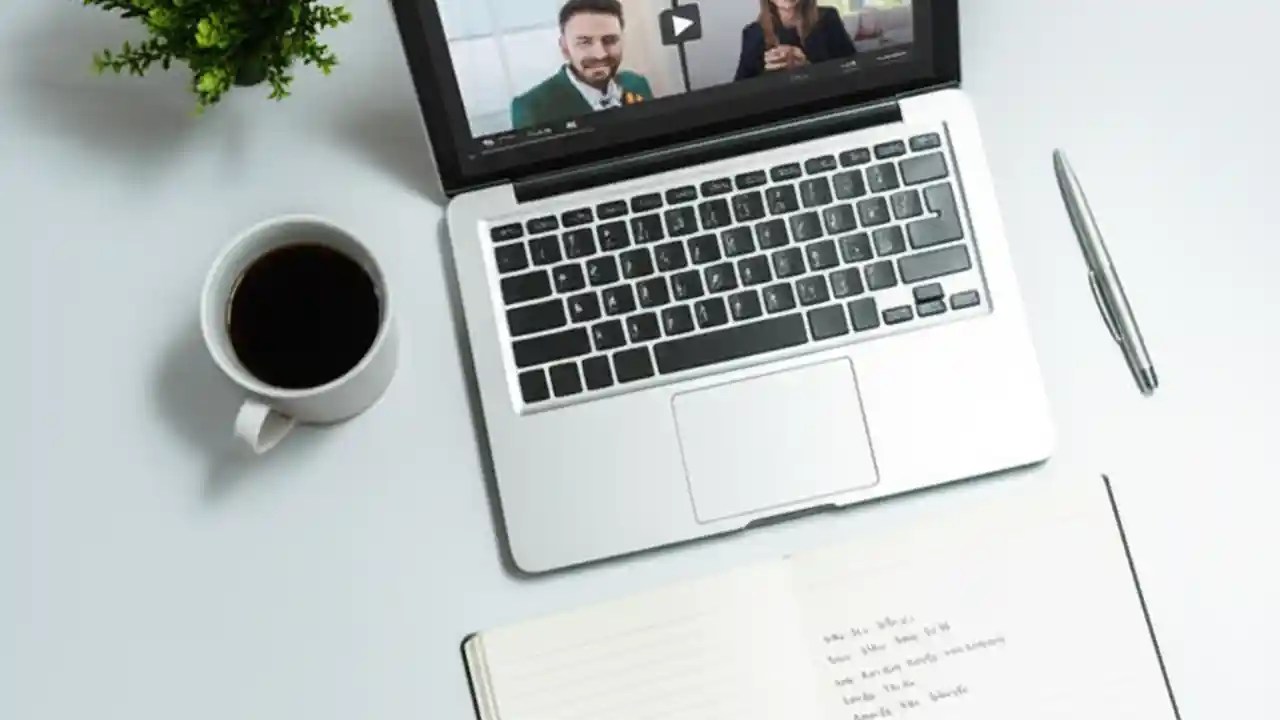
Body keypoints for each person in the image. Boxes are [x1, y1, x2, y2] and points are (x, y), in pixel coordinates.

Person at [511, 0, 655, 130]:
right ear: (565, 48)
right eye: (585, 42)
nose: (600, 54)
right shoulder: (531, 108)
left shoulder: (637, 84)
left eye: (610, 40)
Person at [734, 0, 856, 81]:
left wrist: (808, 68)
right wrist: (766, 74)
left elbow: (855, 69)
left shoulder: (828, 18)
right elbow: (740, 91)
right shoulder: (753, 33)